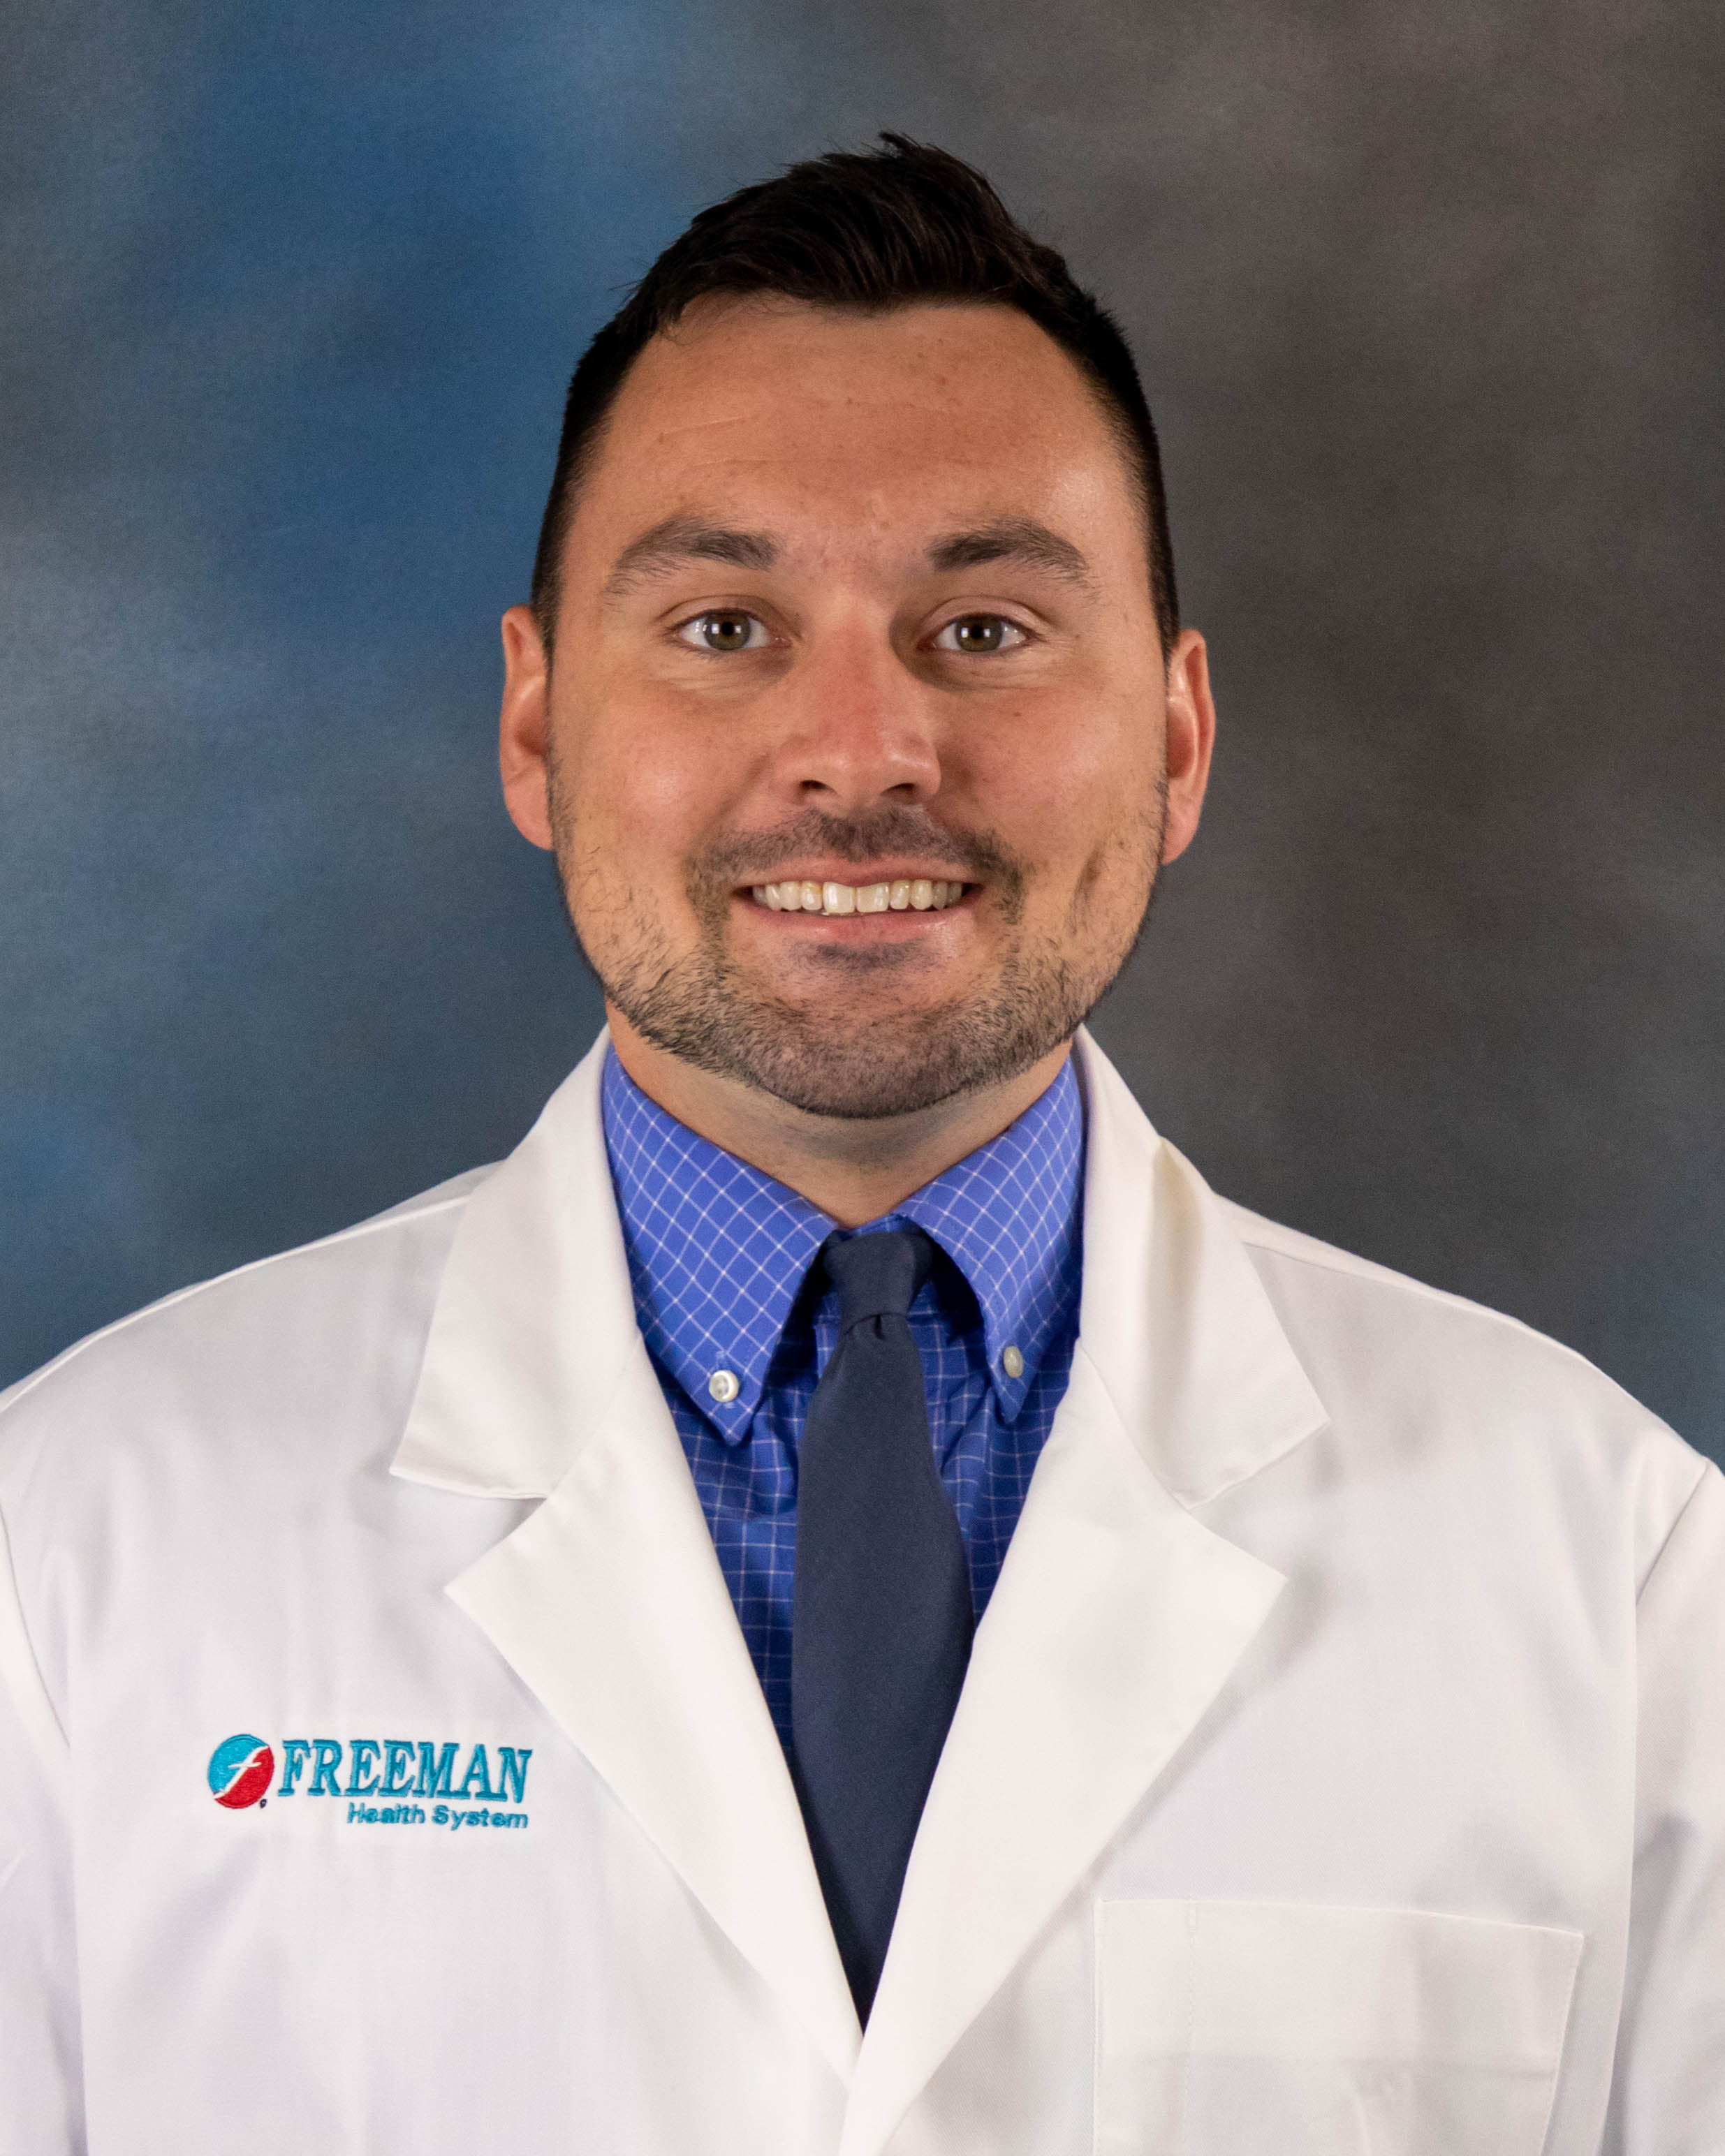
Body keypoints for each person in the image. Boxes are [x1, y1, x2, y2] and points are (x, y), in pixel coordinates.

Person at [1, 135, 1719, 2156]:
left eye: (982, 628)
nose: (861, 752)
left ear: (1177, 740)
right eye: (724, 626)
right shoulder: (74, 1546)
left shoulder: (1618, 1582)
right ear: (537, 730)